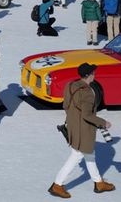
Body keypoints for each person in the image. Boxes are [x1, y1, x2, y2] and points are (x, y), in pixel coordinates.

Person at [49, 63, 116, 198]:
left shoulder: (70, 85)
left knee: (89, 155)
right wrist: (104, 123)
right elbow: (87, 115)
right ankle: (57, 185)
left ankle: (98, 183)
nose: (94, 75)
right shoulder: (87, 93)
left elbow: (65, 105)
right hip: (83, 130)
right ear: (88, 75)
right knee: (76, 156)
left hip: (73, 126)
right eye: (93, 73)